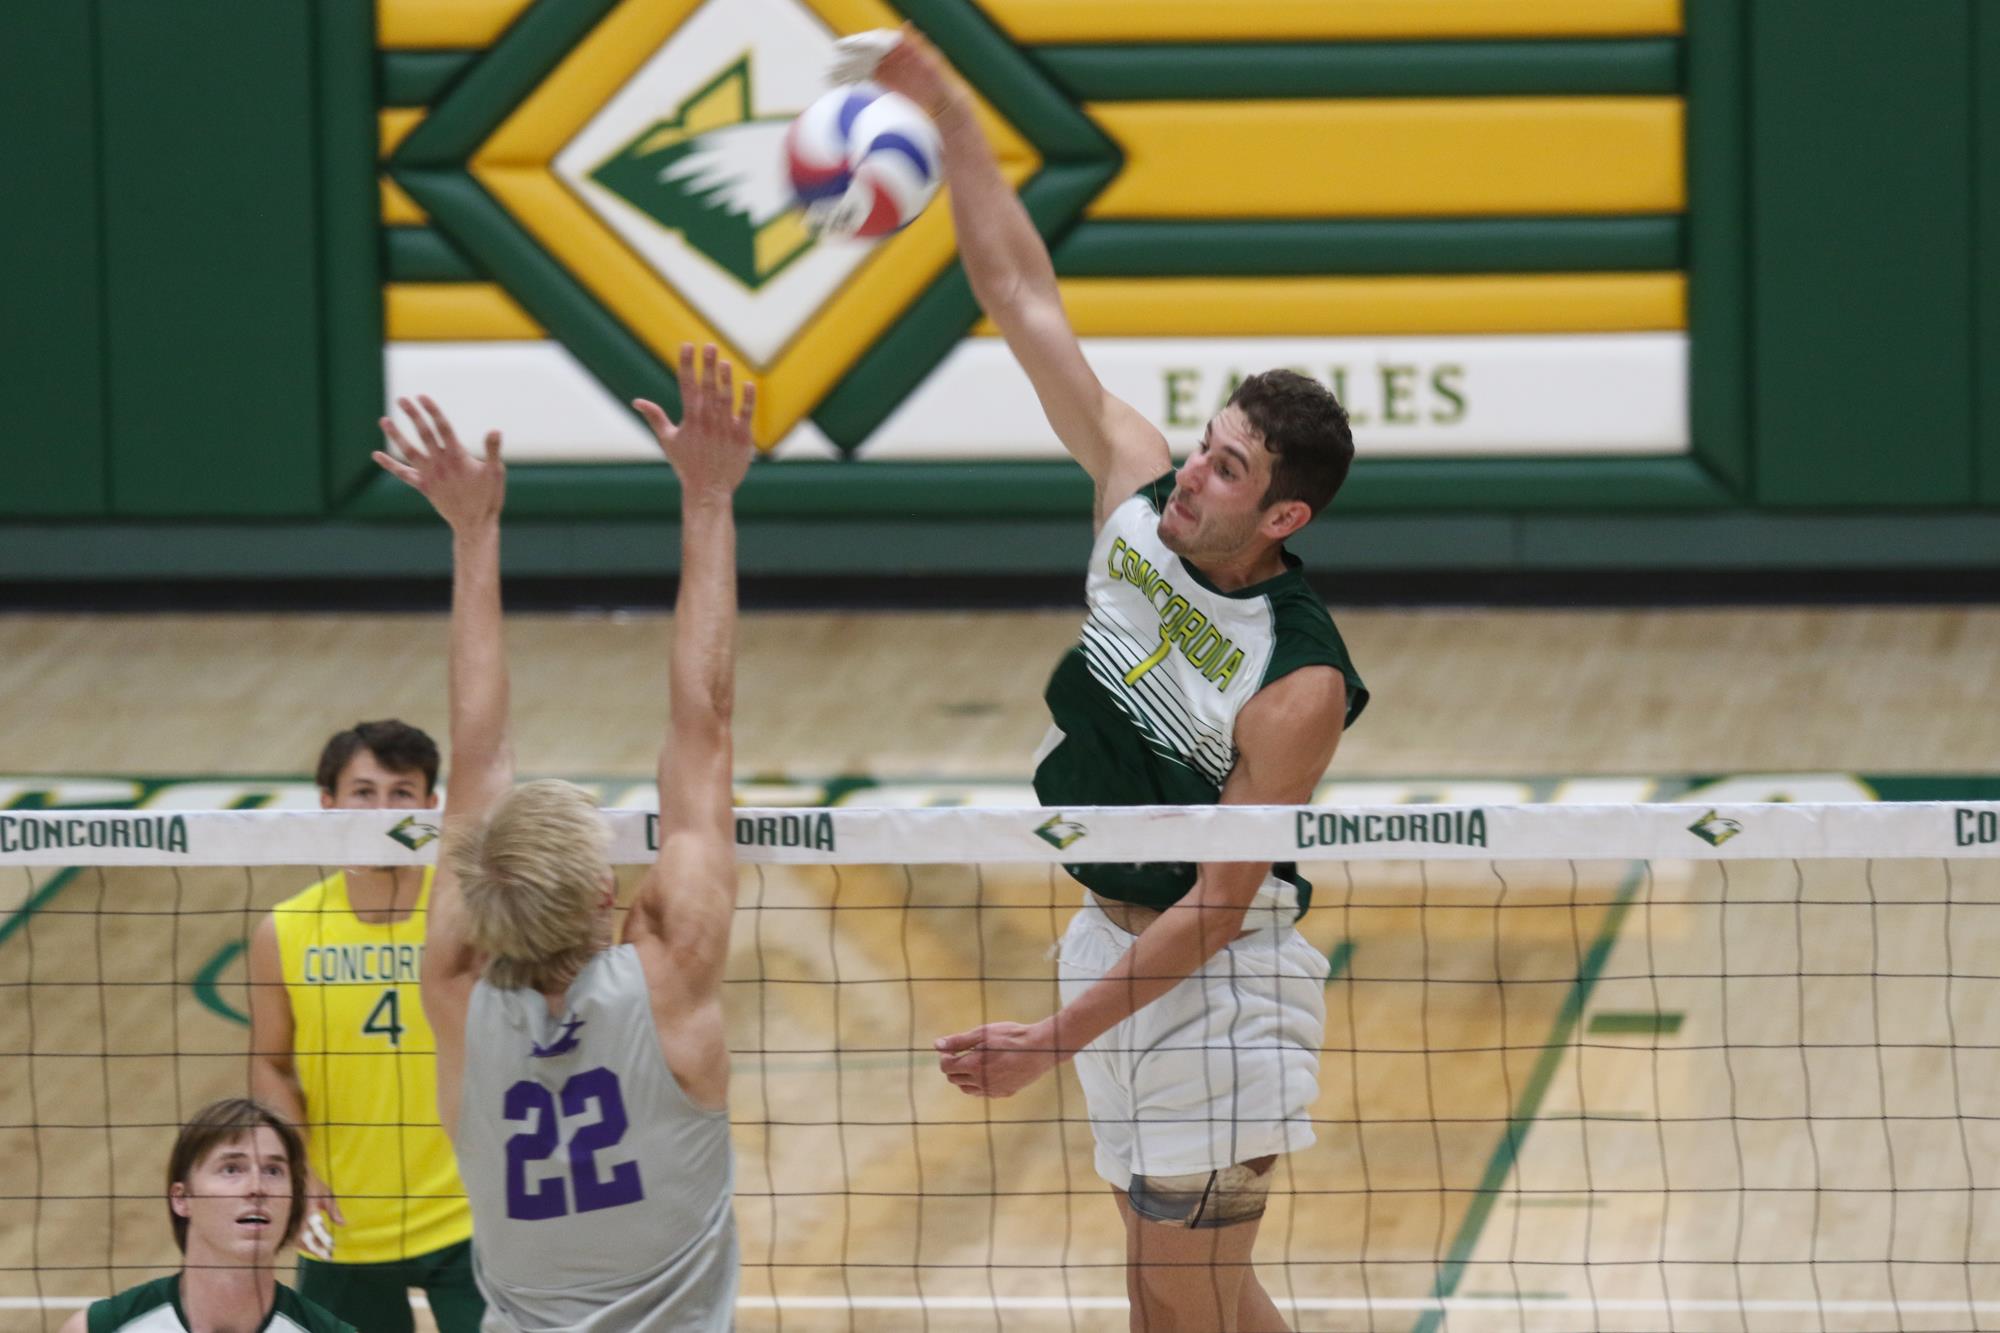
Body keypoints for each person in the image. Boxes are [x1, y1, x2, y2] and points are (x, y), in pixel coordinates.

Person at [859, 28, 1370, 1333]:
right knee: (1174, 1294)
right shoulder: (1134, 497)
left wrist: (1049, 1039)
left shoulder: (1296, 678)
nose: (1191, 473)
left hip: (1225, 980)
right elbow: (1018, 291)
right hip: (1107, 936)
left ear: (1284, 517)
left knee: (1183, 1294)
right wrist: (951, 114)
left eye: (1228, 470)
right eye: (1203, 445)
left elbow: (1217, 904)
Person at [371, 342, 753, 1331]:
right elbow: (703, 728)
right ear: (604, 895)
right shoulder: (667, 975)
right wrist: (708, 498)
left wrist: (472, 533)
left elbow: (474, 760)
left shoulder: (455, 990)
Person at [245, 721, 484, 1332]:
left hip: (476, 1214)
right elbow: (270, 1063)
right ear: (328, 804)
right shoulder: (285, 931)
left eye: (401, 794)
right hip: (343, 1224)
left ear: (431, 807)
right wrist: (295, 1171)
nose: (382, 812)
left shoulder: (469, 919)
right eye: (363, 793)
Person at [65, 1098, 355, 1333]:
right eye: (231, 1169)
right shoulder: (101, 1329)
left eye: (273, 1171)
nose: (257, 1187)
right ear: (182, 1198)